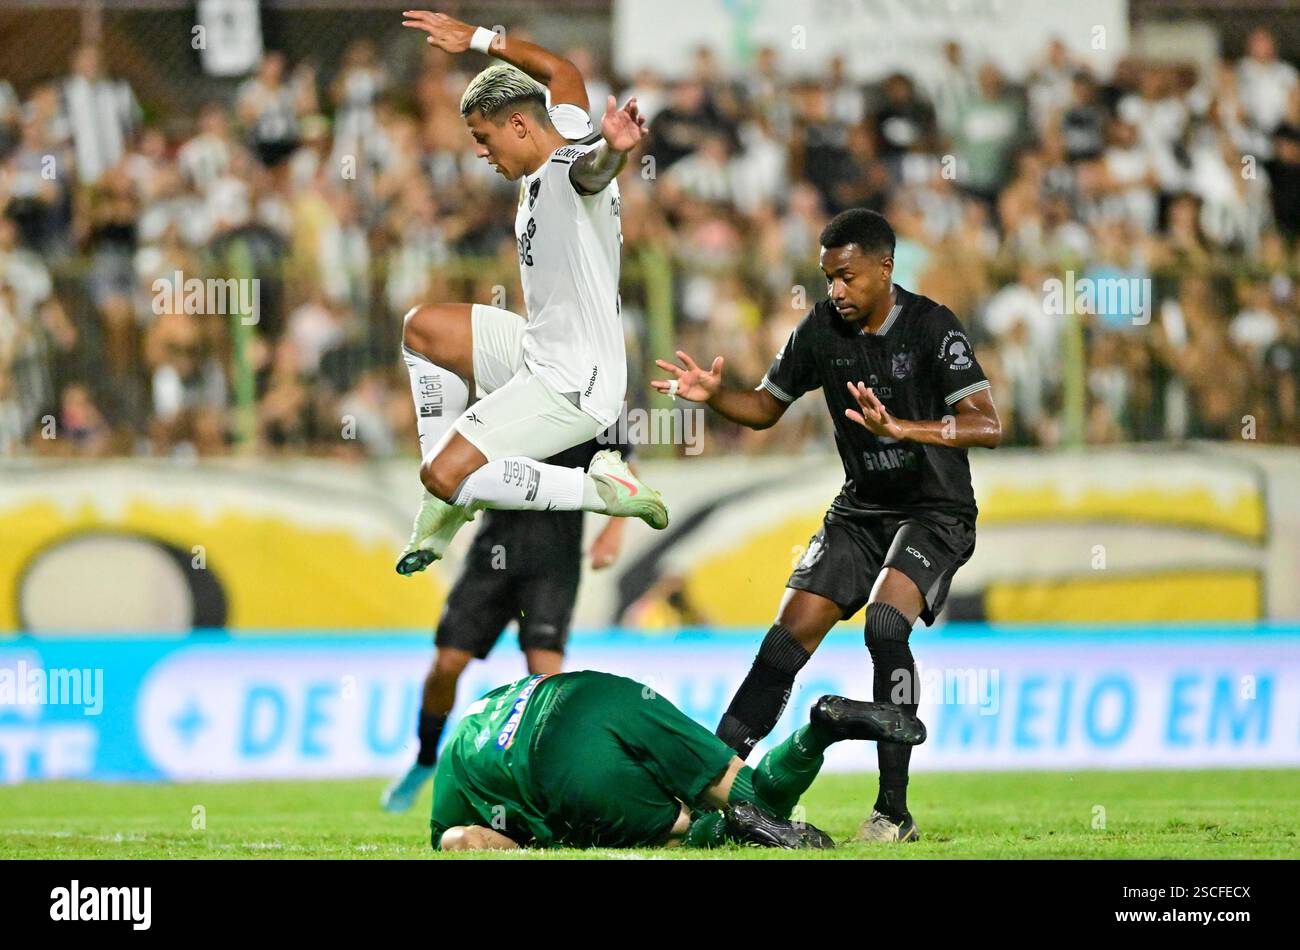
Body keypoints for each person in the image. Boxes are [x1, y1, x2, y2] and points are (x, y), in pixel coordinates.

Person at [653, 208, 1001, 843]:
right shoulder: (819, 329)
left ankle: (893, 812)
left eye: (846, 277)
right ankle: (714, 788)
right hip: (861, 511)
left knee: (886, 623)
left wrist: (902, 428)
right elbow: (763, 408)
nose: (835, 291)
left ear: (884, 268)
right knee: (785, 640)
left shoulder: (932, 328)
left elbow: (987, 424)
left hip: (935, 512)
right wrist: (715, 395)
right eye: (827, 278)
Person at [394, 11, 667, 578]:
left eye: (483, 137)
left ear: (518, 126)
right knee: (423, 328)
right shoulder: (560, 130)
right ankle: (441, 496)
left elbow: (594, 170)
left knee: (448, 475)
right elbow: (561, 70)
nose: (481, 151)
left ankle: (600, 488)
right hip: (541, 348)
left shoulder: (570, 166)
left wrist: (615, 152)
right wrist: (475, 39)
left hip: (573, 383)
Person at [381, 432, 631, 812]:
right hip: (492, 555)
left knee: (545, 681)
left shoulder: (594, 400)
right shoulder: (506, 392)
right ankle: (425, 758)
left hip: (553, 562)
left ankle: (542, 787)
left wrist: (614, 530)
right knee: (446, 665)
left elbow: (623, 468)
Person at [429, 669, 926, 851]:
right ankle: (819, 728)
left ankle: (735, 831)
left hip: (559, 759)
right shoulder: (483, 707)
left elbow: (462, 840)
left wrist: (537, 844)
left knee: (682, 829)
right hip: (604, 693)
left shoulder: (454, 782)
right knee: (748, 788)